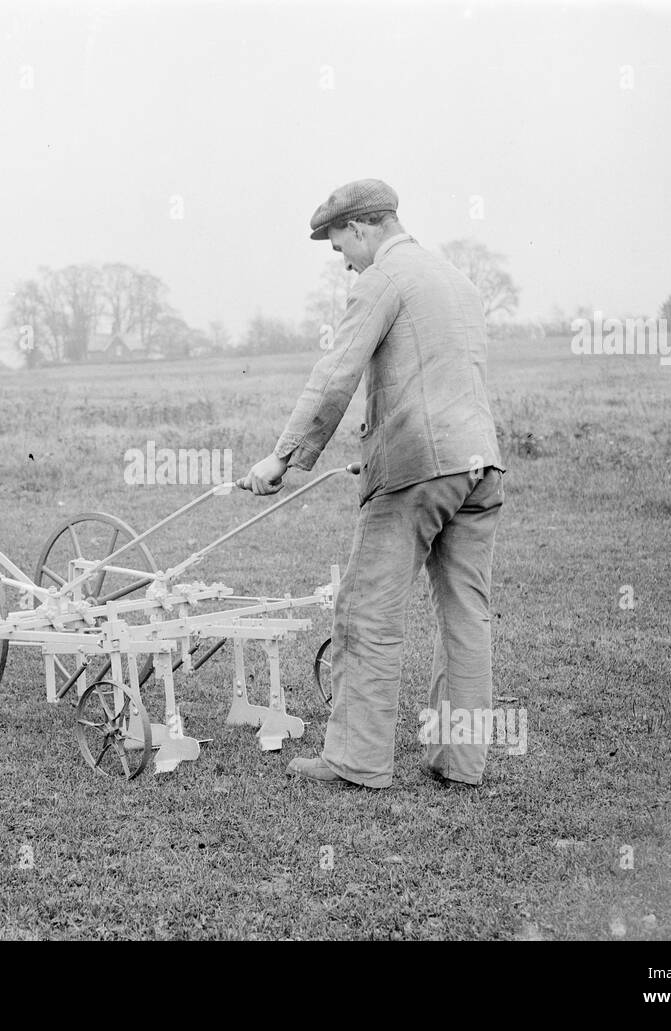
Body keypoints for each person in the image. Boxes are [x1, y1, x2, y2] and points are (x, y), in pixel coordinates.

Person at [238, 179, 505, 788]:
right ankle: (460, 762)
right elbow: (435, 378)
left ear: (360, 228)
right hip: (479, 465)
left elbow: (337, 372)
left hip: (417, 471)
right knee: (466, 615)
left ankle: (355, 759)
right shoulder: (456, 281)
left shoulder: (381, 279)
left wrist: (282, 457)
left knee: (366, 613)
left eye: (340, 248)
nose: (343, 262)